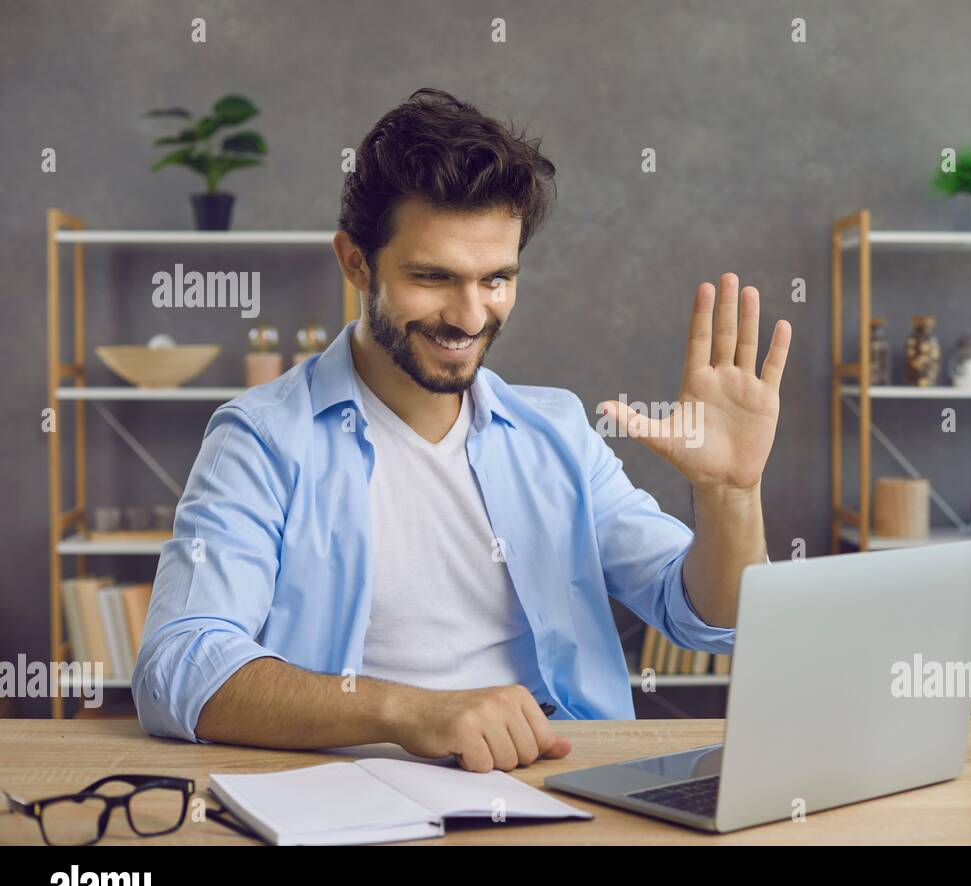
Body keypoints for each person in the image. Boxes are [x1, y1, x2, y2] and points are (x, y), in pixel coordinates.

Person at [132, 88, 791, 772]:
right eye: (433, 277)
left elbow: (709, 617)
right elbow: (179, 665)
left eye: (496, 279)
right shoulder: (262, 439)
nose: (470, 316)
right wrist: (410, 711)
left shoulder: (555, 431)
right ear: (356, 262)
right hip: (355, 791)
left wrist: (730, 493)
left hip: (564, 782)